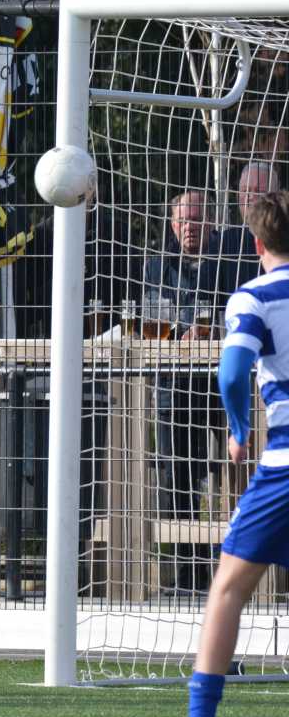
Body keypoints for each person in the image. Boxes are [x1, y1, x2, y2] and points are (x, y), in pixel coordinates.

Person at [149, 191, 289, 717]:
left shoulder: (252, 296)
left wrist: (236, 428)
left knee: (228, 587)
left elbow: (232, 371)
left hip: (283, 465)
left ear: (256, 244)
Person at [146, 191, 229, 593]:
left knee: (239, 470)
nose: (190, 229)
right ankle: (186, 576)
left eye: (197, 221)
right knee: (176, 477)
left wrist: (213, 329)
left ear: (211, 223)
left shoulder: (229, 260)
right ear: (172, 225)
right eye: (183, 222)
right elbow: (149, 315)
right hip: (174, 385)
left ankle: (231, 570)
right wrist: (182, 332)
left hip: (223, 383)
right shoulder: (157, 266)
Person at [214, 162, 281, 291]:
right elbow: (203, 300)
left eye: (259, 191)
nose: (250, 197)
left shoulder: (284, 239)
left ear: (276, 195)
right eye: (245, 190)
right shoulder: (222, 244)